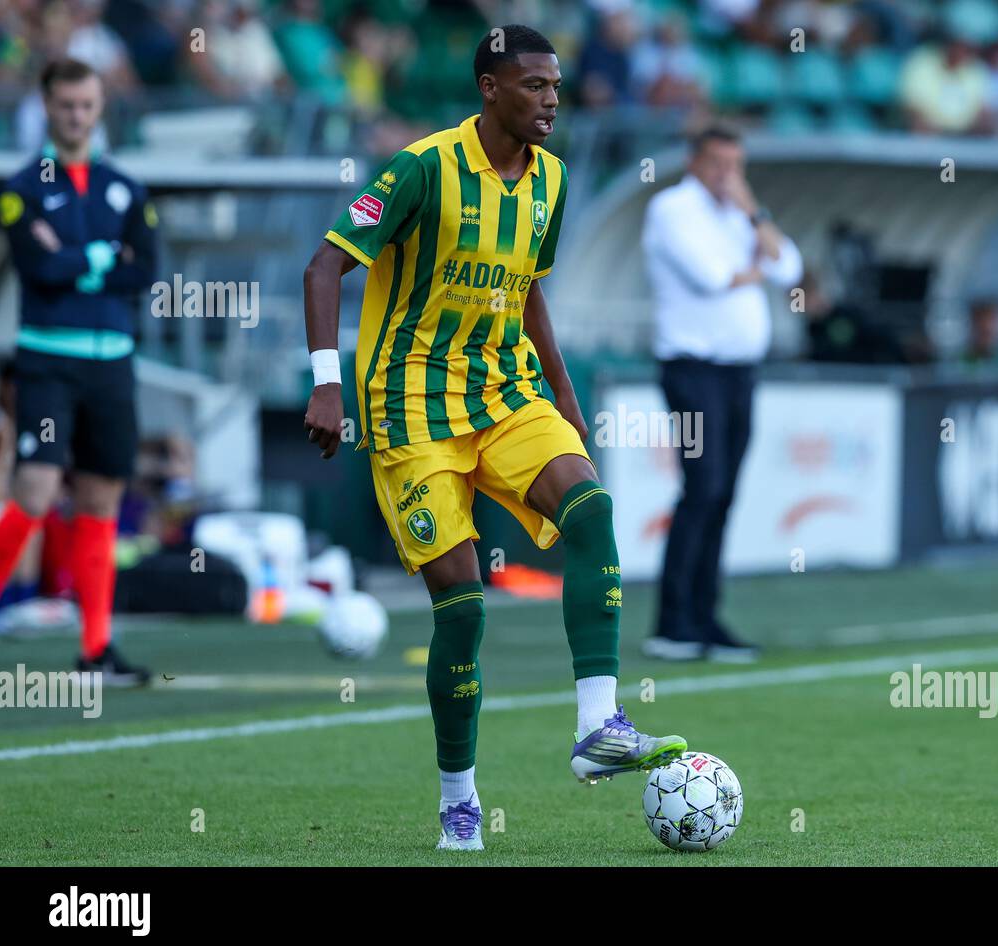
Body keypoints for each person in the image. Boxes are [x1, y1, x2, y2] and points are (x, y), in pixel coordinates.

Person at [301, 24, 687, 853]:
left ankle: (598, 728)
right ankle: (459, 800)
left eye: (556, 86)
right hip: (410, 406)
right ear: (490, 88)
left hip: (505, 391)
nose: (553, 100)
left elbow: (529, 291)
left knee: (589, 510)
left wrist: (566, 393)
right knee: (465, 610)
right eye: (536, 86)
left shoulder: (550, 177)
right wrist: (327, 383)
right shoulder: (423, 167)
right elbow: (325, 266)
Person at [0, 58, 158, 684]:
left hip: (112, 364)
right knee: (34, 490)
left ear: (99, 108)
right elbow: (37, 269)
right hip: (47, 360)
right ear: (46, 106)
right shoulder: (21, 187)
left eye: (86, 105)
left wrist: (74, 258)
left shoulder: (125, 185)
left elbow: (142, 272)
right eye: (65, 105)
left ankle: (95, 649)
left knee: (101, 499)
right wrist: (100, 257)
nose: (76, 116)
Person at [641, 125, 803, 664]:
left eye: (735, 164)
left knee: (725, 493)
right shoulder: (672, 209)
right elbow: (711, 277)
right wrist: (752, 267)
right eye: (717, 163)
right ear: (694, 161)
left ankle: (705, 617)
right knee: (703, 488)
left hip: (738, 373)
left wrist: (754, 213)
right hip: (693, 371)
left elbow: (789, 268)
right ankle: (674, 623)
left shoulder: (738, 214)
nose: (726, 174)